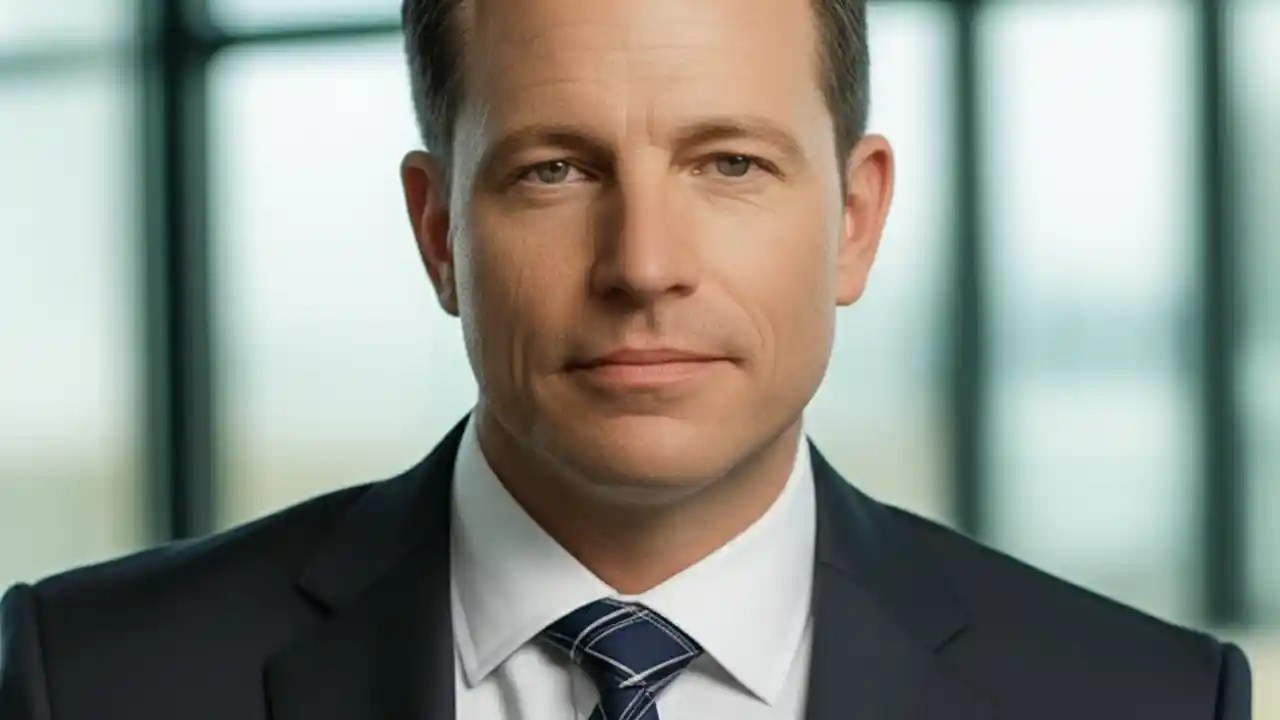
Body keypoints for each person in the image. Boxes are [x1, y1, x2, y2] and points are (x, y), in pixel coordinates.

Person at [0, 0, 1254, 717]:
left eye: (727, 164)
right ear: (439, 233)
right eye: (556, 169)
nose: (643, 262)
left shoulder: (1138, 703)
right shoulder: (97, 680)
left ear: (853, 220)